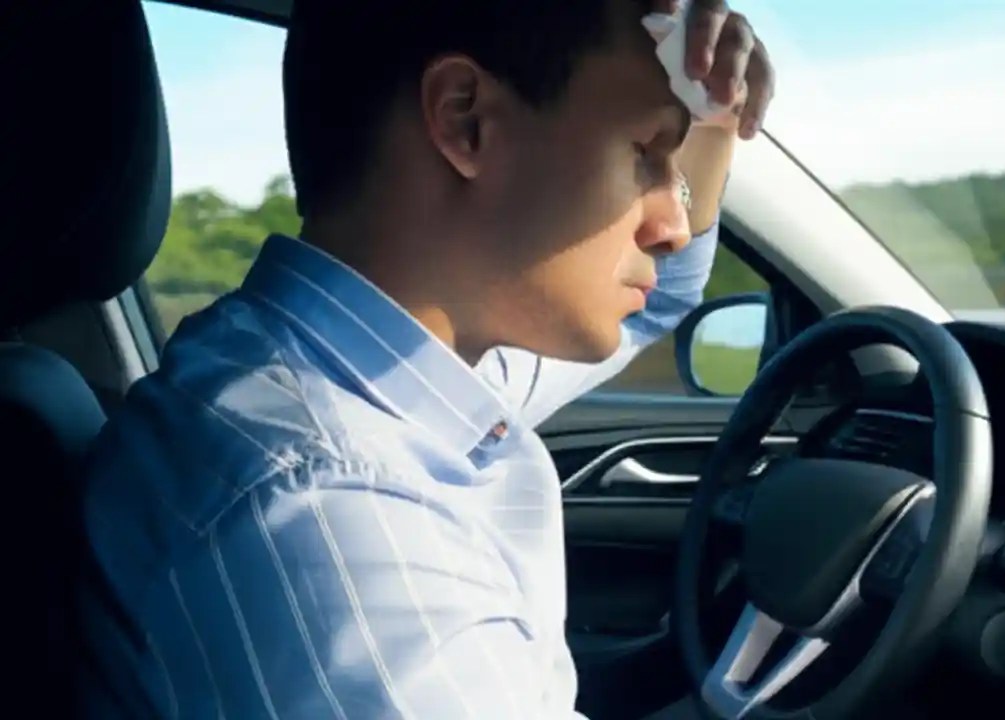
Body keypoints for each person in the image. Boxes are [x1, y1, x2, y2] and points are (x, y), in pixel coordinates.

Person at [77, 0, 775, 717]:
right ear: (465, 119)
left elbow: (660, 299)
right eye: (646, 153)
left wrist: (712, 114)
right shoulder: (328, 509)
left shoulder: (342, 376)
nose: (673, 222)